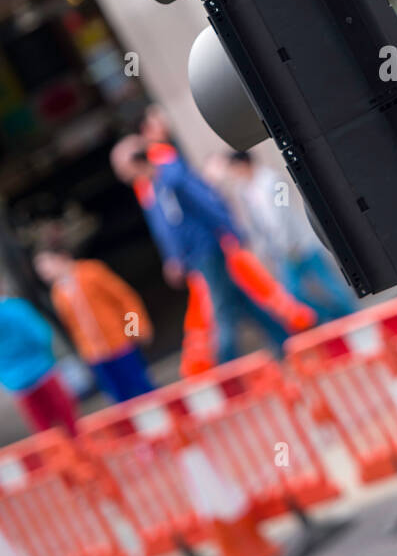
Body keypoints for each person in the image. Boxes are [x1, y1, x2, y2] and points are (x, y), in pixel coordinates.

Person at [110, 135, 289, 363]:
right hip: (195, 255)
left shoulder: (171, 176)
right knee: (238, 300)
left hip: (206, 250)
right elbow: (166, 227)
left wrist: (230, 229)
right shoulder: (152, 187)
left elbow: (206, 202)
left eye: (122, 167)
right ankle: (282, 338)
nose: (121, 174)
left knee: (221, 308)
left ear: (135, 161)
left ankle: (226, 361)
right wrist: (173, 258)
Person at [221, 151, 356, 324]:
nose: (235, 174)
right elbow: (254, 223)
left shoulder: (274, 180)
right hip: (280, 250)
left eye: (235, 169)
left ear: (244, 164)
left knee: (327, 281)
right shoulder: (244, 190)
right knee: (293, 292)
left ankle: (351, 313)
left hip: (301, 243)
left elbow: (284, 211)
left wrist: (288, 242)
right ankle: (330, 315)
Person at [33, 246, 155, 404]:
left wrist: (135, 329)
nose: (44, 273)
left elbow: (124, 298)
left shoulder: (91, 271)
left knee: (142, 388)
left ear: (61, 257)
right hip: (94, 355)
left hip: (119, 343)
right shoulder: (57, 293)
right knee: (119, 398)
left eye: (46, 265)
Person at [0, 293, 78, 436]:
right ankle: (83, 451)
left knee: (44, 429)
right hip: (42, 369)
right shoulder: (15, 307)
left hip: (16, 382)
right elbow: (40, 333)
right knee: (68, 420)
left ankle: (60, 456)